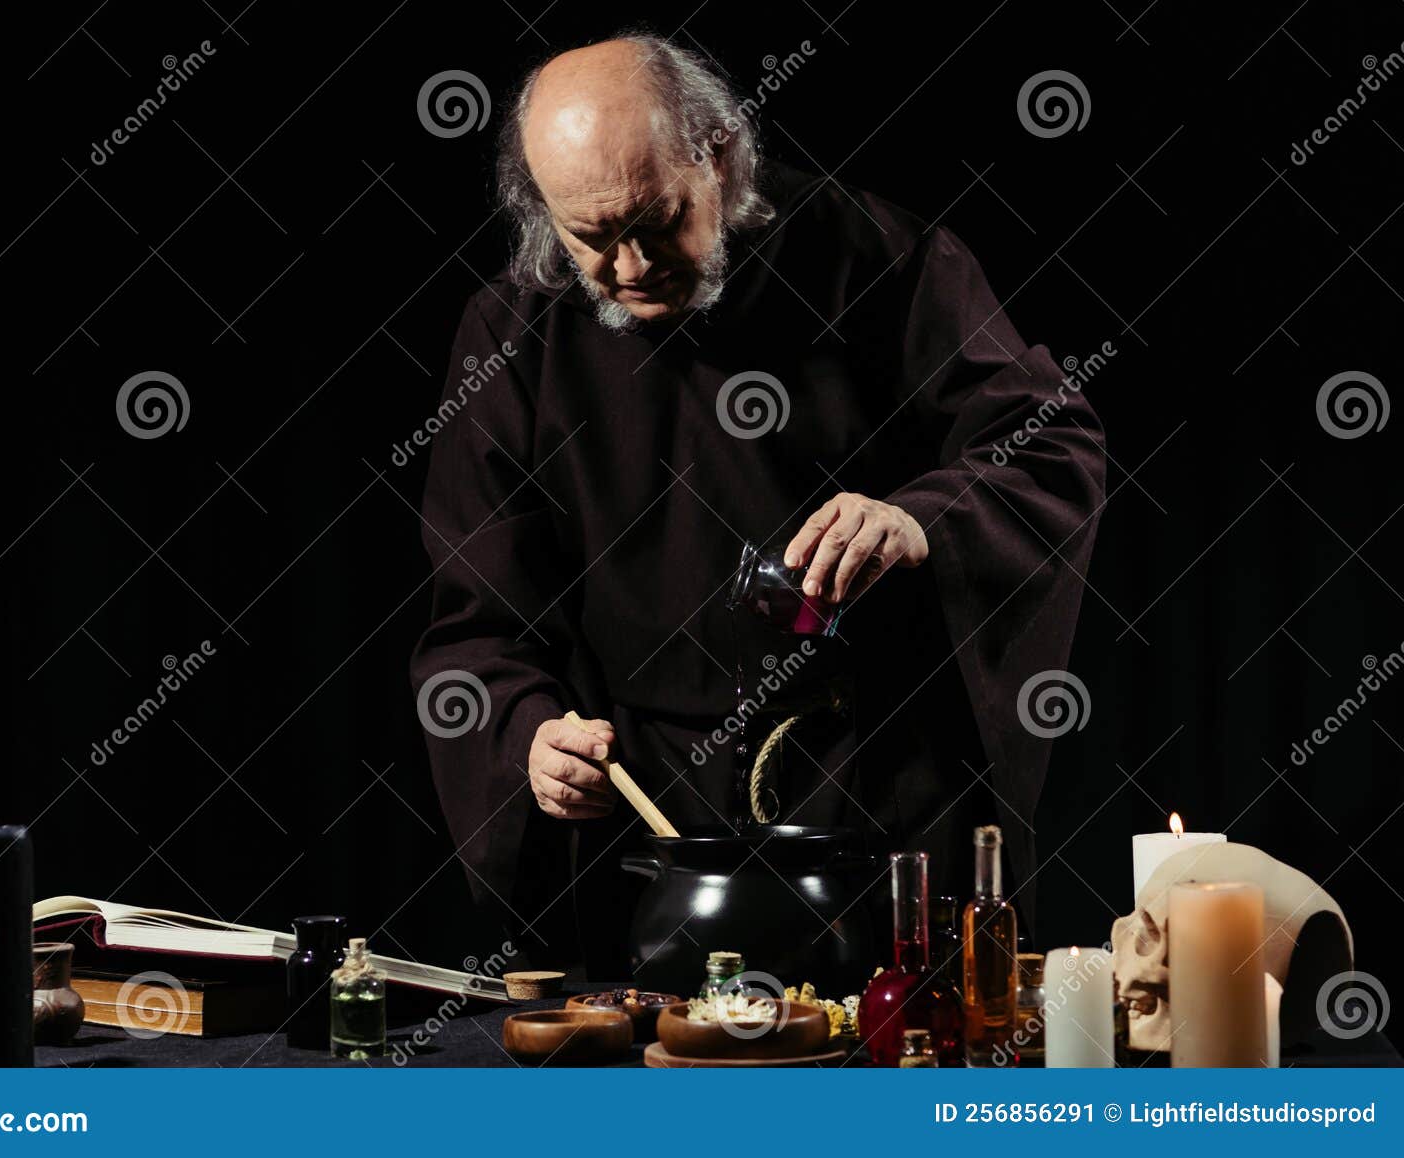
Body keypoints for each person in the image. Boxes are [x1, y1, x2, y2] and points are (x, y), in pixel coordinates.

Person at [410, 34, 1105, 975]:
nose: (627, 267)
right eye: (590, 238)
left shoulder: (878, 256)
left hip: (885, 788)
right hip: (654, 812)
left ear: (723, 154)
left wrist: (920, 519)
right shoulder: (512, 337)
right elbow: (478, 623)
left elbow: (1051, 442)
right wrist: (530, 737)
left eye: (656, 221)